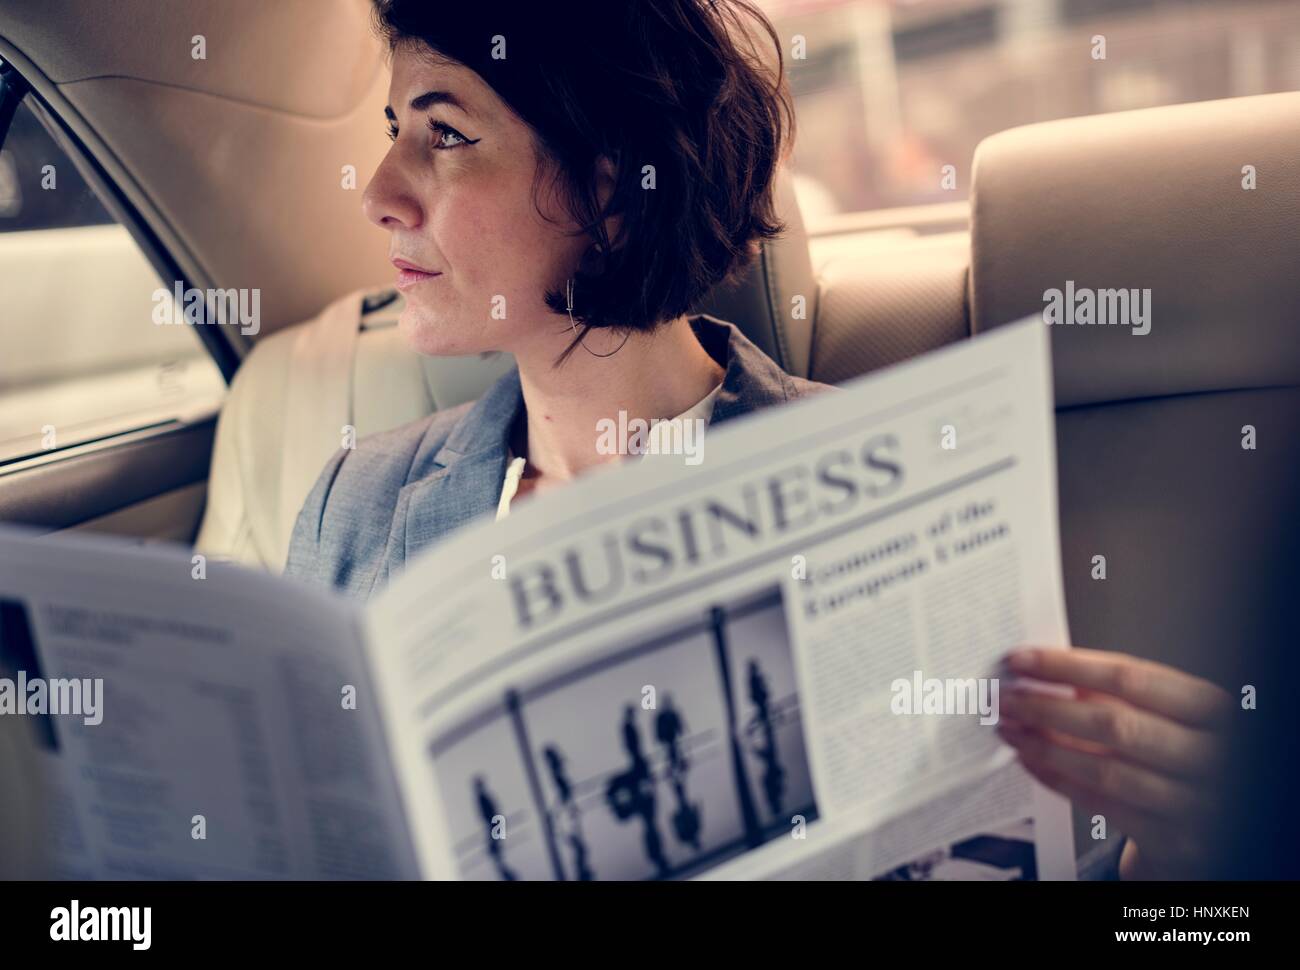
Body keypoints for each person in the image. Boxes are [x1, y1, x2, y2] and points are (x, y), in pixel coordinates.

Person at [284, 1, 1232, 880]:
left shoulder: (910, 499)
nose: (378, 194)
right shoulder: (356, 504)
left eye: (445, 136)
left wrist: (1185, 859)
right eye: (393, 133)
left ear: (611, 183)